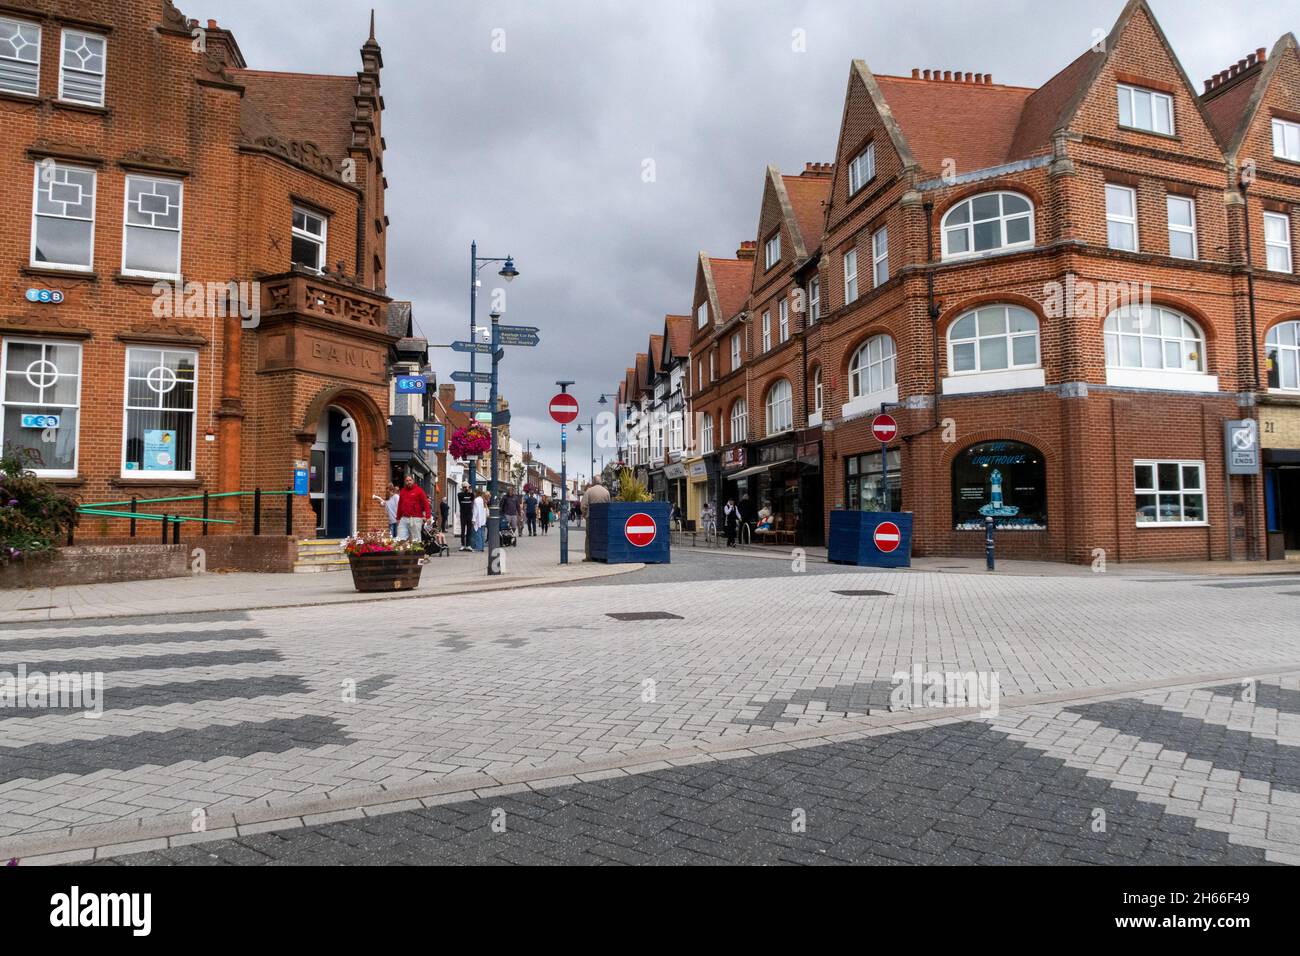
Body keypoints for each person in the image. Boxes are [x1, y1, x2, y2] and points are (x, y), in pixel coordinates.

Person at [581, 476, 611, 560]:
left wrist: (584, 514)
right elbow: (609, 504)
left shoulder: (589, 491)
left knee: (589, 537)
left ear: (593, 482)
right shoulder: (606, 492)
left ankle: (589, 556)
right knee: (602, 536)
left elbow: (583, 505)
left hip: (591, 518)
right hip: (603, 518)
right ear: (600, 482)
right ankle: (601, 555)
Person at [394, 474, 430, 542]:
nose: (409, 482)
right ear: (405, 482)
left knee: (416, 540)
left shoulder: (419, 491)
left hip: (415, 518)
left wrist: (428, 517)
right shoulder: (402, 491)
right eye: (407, 481)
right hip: (404, 518)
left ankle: (418, 552)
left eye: (410, 480)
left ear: (413, 481)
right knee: (400, 539)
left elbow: (426, 504)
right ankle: (403, 552)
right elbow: (400, 505)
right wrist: (398, 518)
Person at [457, 482, 475, 551]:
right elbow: (463, 496)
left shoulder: (471, 494)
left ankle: (468, 545)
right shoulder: (459, 494)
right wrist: (467, 490)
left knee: (469, 530)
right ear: (464, 487)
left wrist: (470, 491)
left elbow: (472, 498)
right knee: (463, 530)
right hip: (463, 515)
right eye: (467, 487)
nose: (468, 488)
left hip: (469, 515)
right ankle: (462, 545)